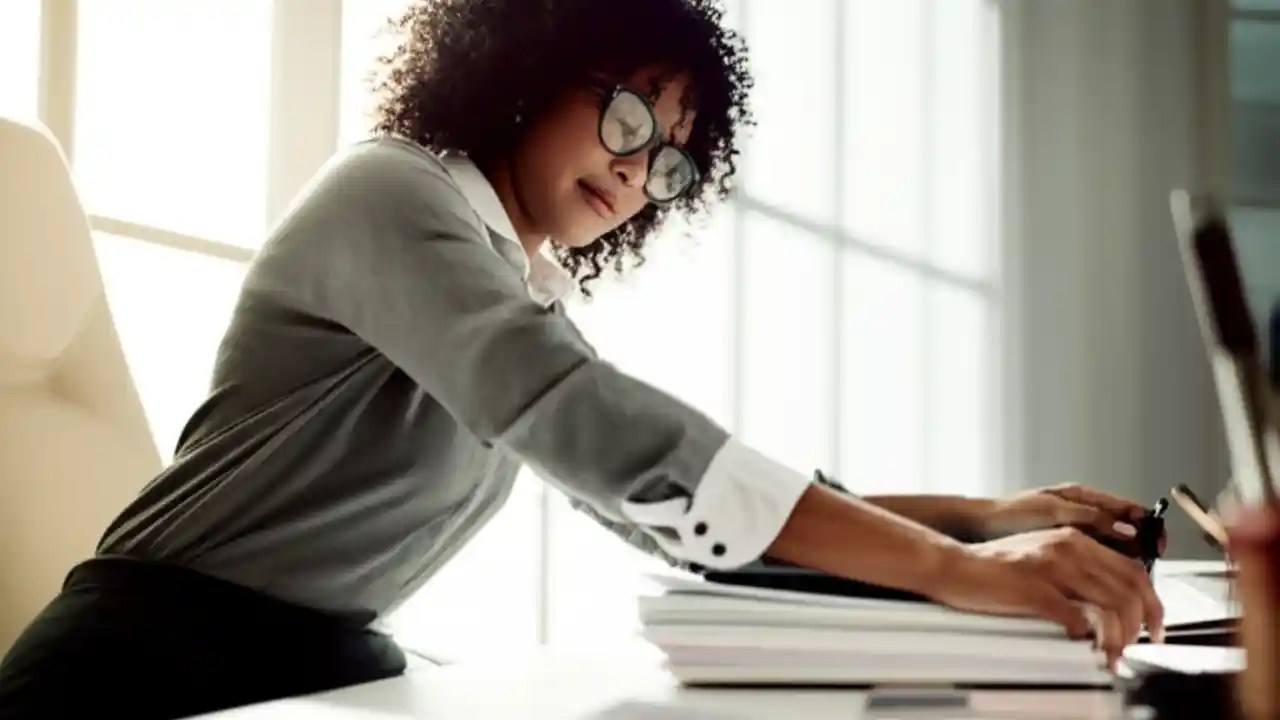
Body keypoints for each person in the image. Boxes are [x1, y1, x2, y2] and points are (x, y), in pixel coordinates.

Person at [0, 0, 1164, 716]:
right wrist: (952, 569)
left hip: (313, 669)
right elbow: (594, 427)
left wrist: (976, 517)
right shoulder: (390, 192)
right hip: (138, 670)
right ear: (530, 58)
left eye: (669, 162)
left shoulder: (504, 281)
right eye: (625, 116)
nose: (634, 168)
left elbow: (662, 499)